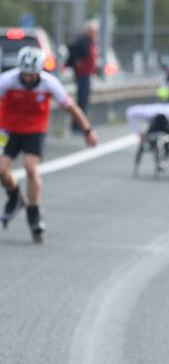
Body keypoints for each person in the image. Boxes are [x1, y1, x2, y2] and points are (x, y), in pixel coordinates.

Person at [0, 47, 98, 241]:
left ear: (39, 71)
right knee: (1, 170)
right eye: (25, 74)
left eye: (32, 74)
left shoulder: (49, 83)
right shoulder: (7, 80)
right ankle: (14, 197)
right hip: (7, 129)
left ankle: (34, 213)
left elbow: (71, 107)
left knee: (31, 168)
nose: (28, 78)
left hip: (34, 130)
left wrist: (87, 131)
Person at [65, 19, 100, 133]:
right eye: (93, 31)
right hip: (82, 75)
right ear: (88, 30)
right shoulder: (82, 40)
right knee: (82, 101)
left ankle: (80, 125)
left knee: (84, 101)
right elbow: (71, 48)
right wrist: (77, 61)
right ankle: (78, 126)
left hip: (87, 74)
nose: (95, 33)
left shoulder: (89, 41)